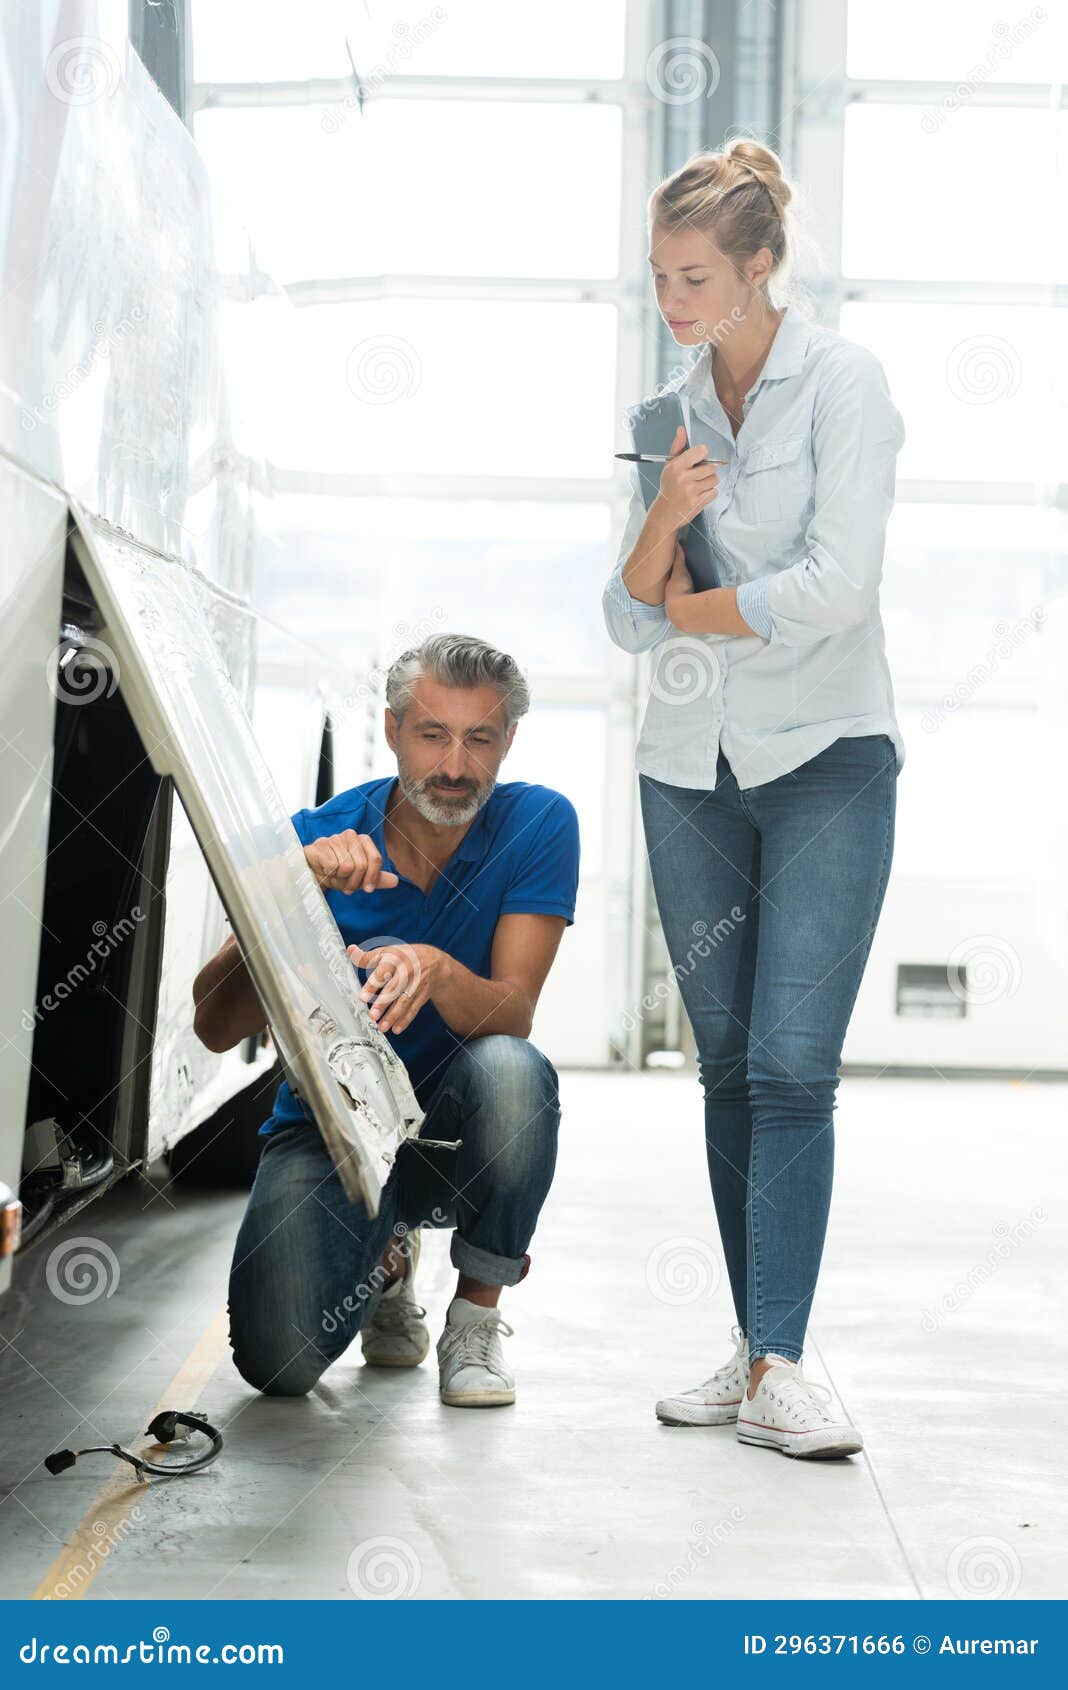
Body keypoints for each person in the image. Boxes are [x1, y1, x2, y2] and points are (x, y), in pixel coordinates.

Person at [603, 138, 906, 1459]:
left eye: (695, 276)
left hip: (829, 759)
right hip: (690, 771)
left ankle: (786, 1357)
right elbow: (624, 619)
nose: (672, 301)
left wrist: (695, 605)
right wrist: (667, 519)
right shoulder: (662, 417)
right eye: (660, 277)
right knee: (725, 1064)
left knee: (793, 1065)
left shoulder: (845, 383)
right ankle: (755, 1345)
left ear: (761, 267)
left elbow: (840, 584)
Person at [193, 634, 579, 1407]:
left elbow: (516, 1010)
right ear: (394, 730)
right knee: (278, 1365)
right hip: (335, 1124)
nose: (456, 767)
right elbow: (213, 1024)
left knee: (515, 1073)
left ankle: (472, 1321)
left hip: (452, 1125)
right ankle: (385, 1257)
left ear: (509, 740)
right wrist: (288, 892)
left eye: (480, 739)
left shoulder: (539, 822)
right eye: (433, 734)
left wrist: (436, 971)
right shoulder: (318, 836)